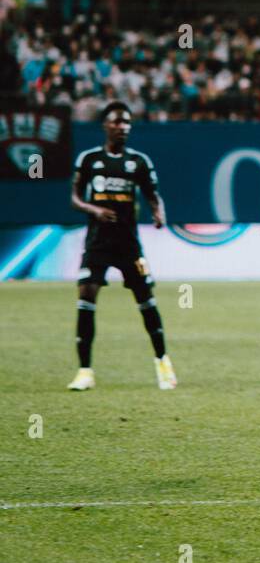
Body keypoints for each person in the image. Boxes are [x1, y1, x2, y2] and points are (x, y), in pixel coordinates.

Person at [68, 102, 175, 390]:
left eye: (127, 123)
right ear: (106, 125)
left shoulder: (139, 162)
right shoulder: (89, 159)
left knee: (146, 299)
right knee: (87, 294)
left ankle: (163, 363)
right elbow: (74, 198)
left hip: (129, 244)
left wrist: (158, 212)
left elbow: (154, 195)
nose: (123, 127)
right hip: (98, 242)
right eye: (117, 122)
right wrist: (94, 210)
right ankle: (85, 371)